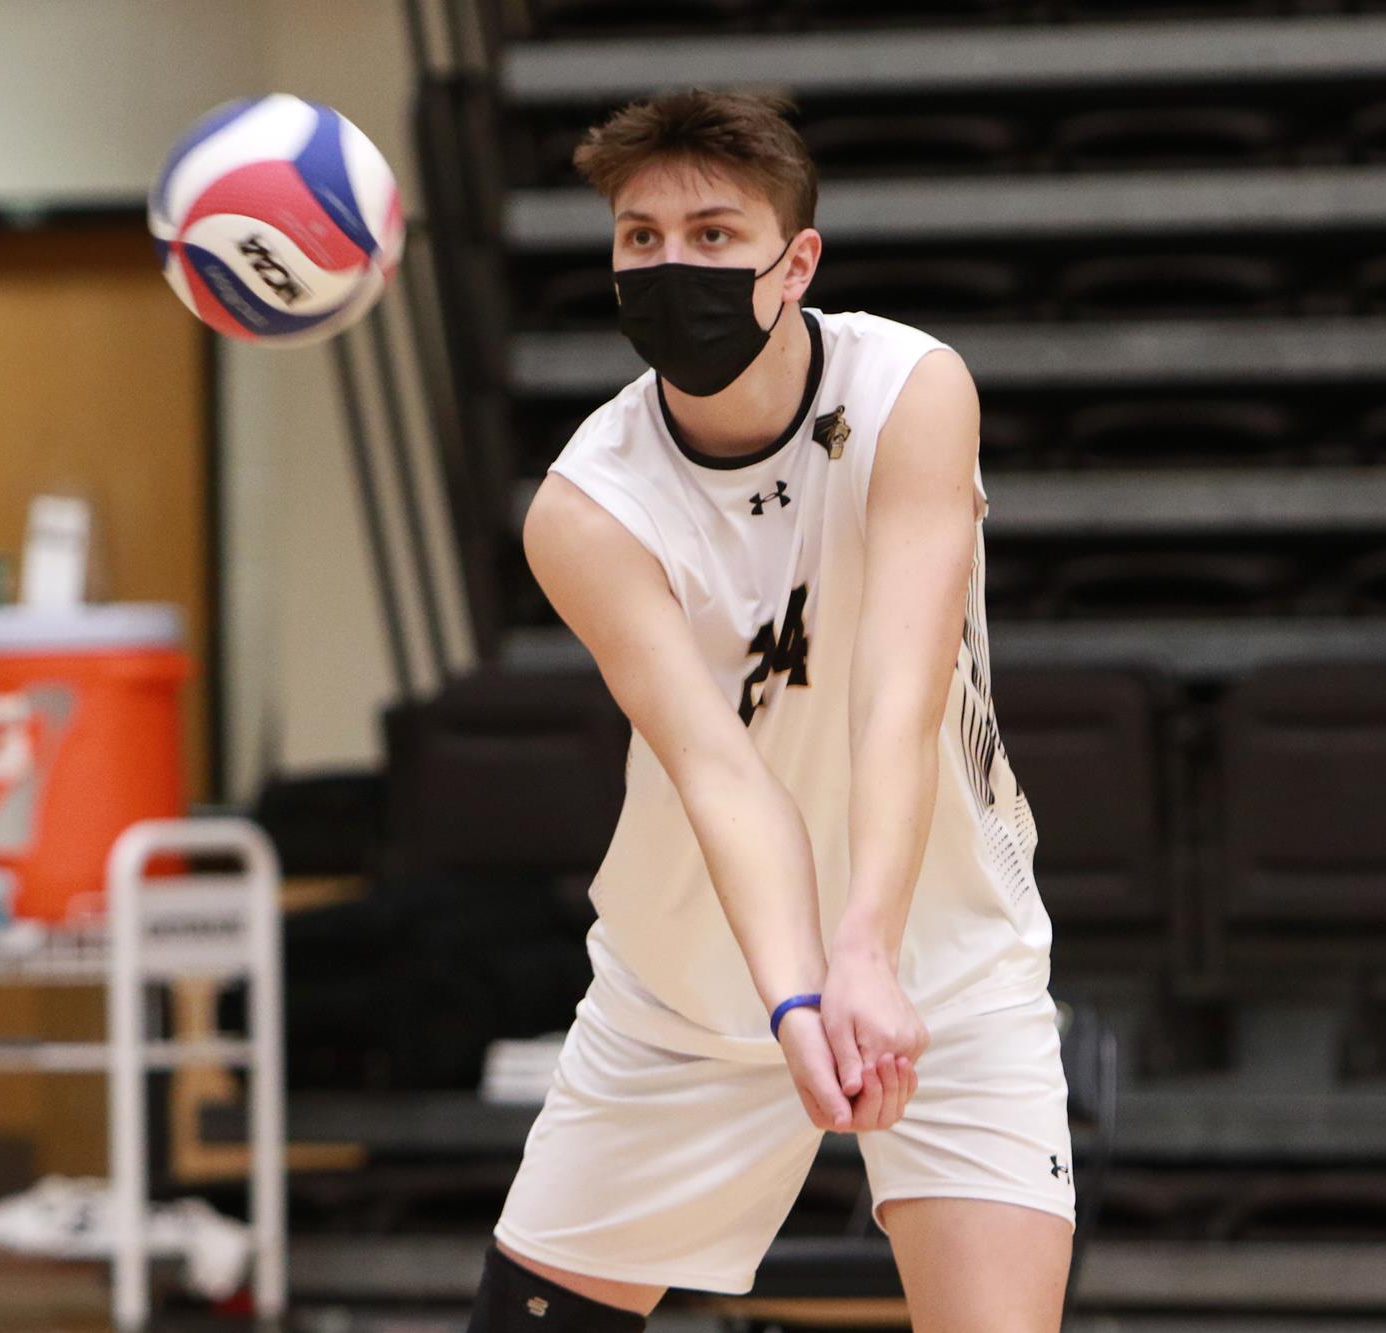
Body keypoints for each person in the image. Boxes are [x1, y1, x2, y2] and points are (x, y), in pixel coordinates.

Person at [468, 89, 1072, 1333]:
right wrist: (797, 997)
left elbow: (894, 706)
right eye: (639, 238)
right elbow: (718, 772)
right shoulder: (584, 508)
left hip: (946, 958)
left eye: (711, 235)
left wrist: (864, 952)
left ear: (794, 263)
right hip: (686, 984)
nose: (670, 266)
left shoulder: (910, 391)